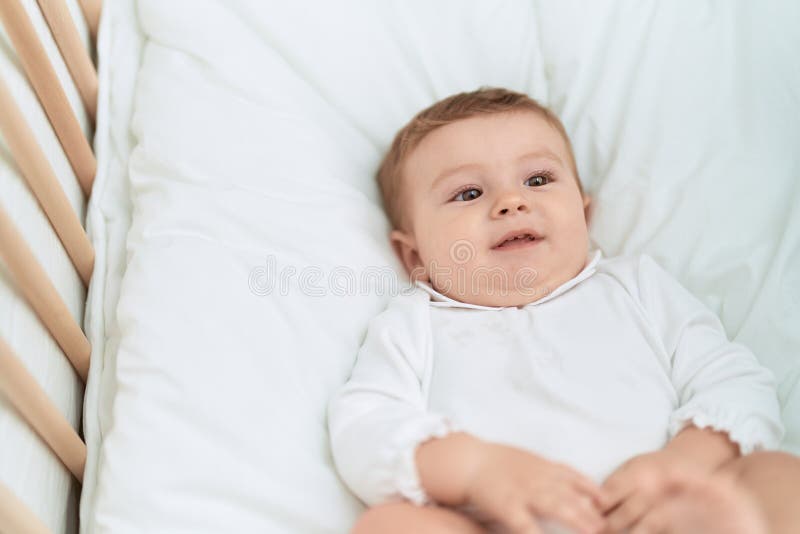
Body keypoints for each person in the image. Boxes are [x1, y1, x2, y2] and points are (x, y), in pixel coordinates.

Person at [327, 87, 800, 533]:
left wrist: (682, 463)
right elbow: (364, 427)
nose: (512, 202)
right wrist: (476, 469)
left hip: (662, 514)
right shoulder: (414, 325)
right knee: (390, 524)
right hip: (505, 524)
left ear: (585, 215)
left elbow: (734, 382)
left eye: (538, 180)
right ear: (413, 255)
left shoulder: (637, 288)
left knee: (776, 475)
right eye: (468, 193)